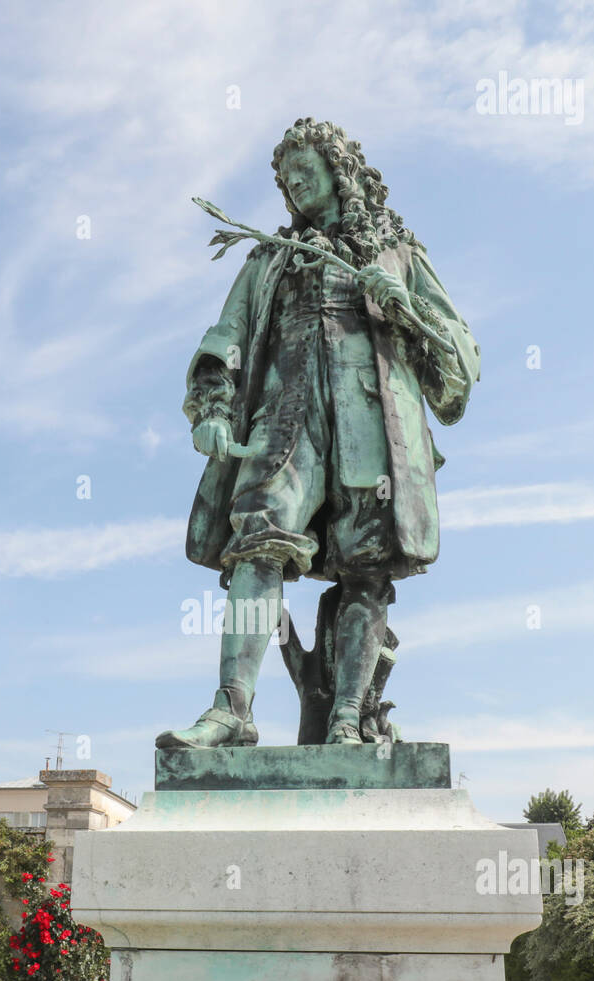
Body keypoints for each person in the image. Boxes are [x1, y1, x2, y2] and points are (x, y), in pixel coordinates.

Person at [157, 117, 479, 749]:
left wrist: (406, 308)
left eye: (306, 171)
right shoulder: (271, 259)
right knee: (256, 543)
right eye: (286, 178)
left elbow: (461, 360)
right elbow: (227, 334)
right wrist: (215, 409)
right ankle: (232, 709)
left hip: (374, 426)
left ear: (340, 171)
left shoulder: (401, 256)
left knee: (367, 565)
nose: (295, 185)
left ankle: (349, 720)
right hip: (286, 422)